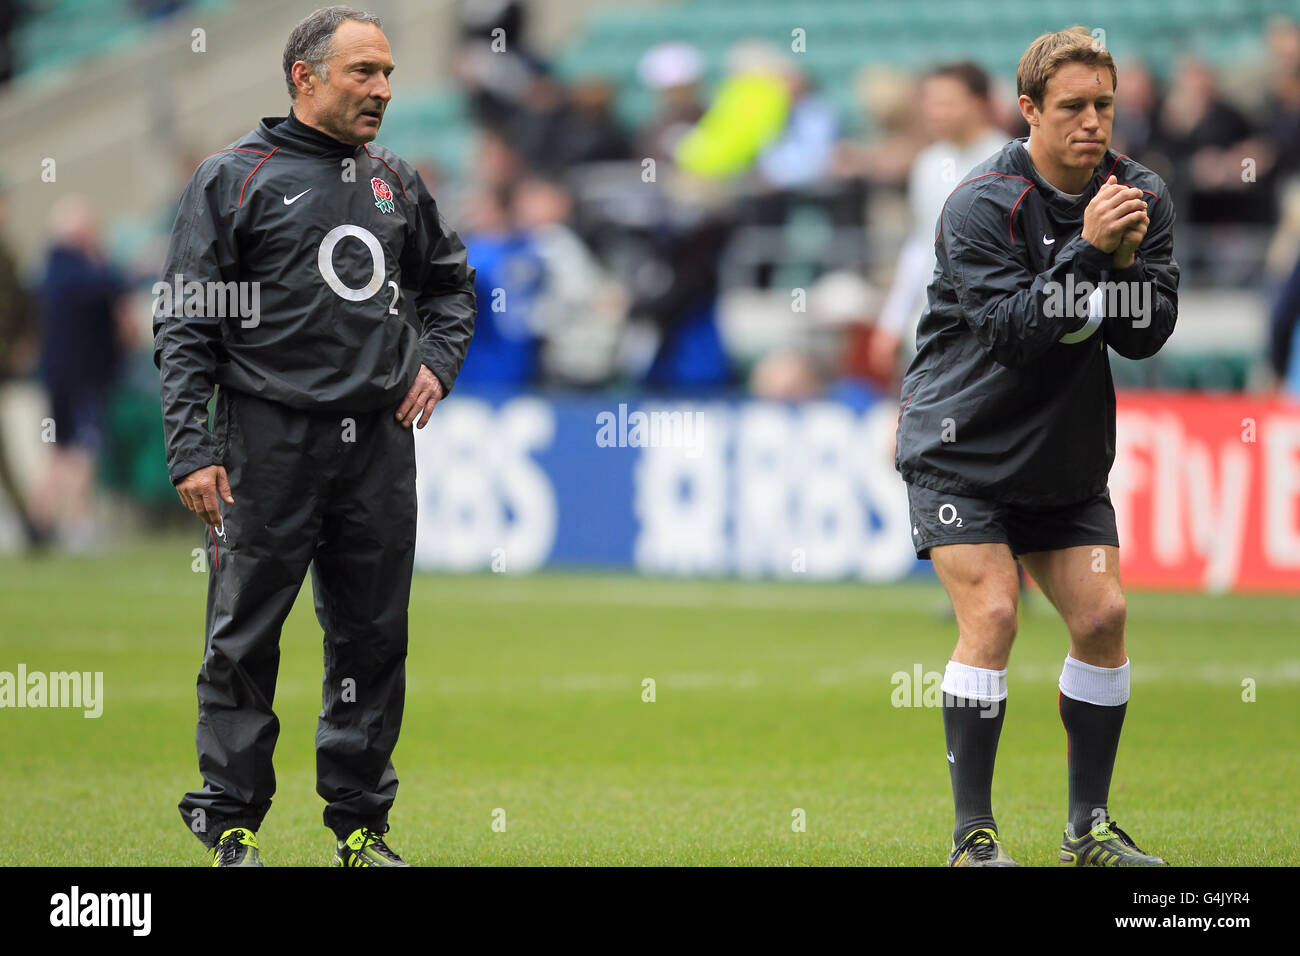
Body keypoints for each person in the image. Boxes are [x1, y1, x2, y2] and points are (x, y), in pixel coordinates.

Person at [154, 5, 476, 867]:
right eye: (363, 73)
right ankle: (229, 824)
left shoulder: (396, 183)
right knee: (245, 635)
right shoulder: (233, 177)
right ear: (306, 77)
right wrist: (193, 446)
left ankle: (362, 828)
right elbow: (186, 324)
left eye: (389, 75)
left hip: (375, 446)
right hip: (265, 442)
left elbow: (450, 289)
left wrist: (437, 364)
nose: (382, 90)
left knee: (373, 638)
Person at [894, 26, 1178, 866]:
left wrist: (1121, 266)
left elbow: (1147, 334)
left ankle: (1087, 830)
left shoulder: (1141, 195)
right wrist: (1091, 250)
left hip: (1062, 454)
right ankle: (973, 840)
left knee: (1104, 615)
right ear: (1028, 112)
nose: (1093, 123)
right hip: (963, 446)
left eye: (1105, 106)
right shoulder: (982, 203)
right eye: (1073, 108)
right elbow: (1015, 335)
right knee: (992, 614)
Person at [869, 62, 1008, 384]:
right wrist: (892, 321)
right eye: (929, 102)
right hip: (932, 332)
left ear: (979, 104)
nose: (934, 112)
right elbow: (920, 246)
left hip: (988, 336)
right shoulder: (927, 165)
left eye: (946, 102)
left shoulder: (1007, 163)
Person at [28, 197, 134, 552]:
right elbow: (115, 284)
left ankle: (38, 523)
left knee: (59, 451)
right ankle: (76, 523)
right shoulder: (75, 271)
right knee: (82, 451)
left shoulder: (50, 270)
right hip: (79, 379)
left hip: (61, 377)